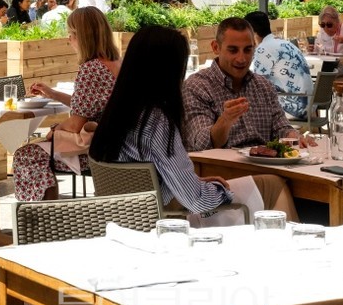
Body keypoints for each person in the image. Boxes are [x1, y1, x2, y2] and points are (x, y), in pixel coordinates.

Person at [89, 25, 298, 223]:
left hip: (130, 218)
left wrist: (196, 183)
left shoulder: (120, 112)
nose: (241, 58)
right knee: (274, 185)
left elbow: (158, 179)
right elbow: (197, 201)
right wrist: (221, 190)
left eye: (248, 49)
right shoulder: (158, 122)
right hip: (173, 219)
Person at [13, 7, 121, 201]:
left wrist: (54, 130)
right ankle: (49, 209)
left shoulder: (91, 69)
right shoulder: (117, 63)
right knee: (36, 150)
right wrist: (53, 94)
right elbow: (90, 106)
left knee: (26, 155)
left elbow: (75, 125)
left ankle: (43, 214)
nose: (68, 39)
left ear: (83, 37)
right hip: (116, 143)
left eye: (71, 34)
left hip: (95, 150)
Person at [183, 17, 300, 151]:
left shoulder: (264, 86)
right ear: (216, 47)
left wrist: (293, 136)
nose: (241, 59)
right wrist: (225, 121)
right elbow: (201, 144)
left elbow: (281, 127)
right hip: (221, 163)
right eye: (233, 50)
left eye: (247, 50)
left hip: (264, 160)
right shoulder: (197, 87)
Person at [246, 11, 312, 121]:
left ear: (251, 31)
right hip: (309, 104)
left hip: (295, 110)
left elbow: (256, 85)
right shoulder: (285, 43)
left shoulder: (263, 49)